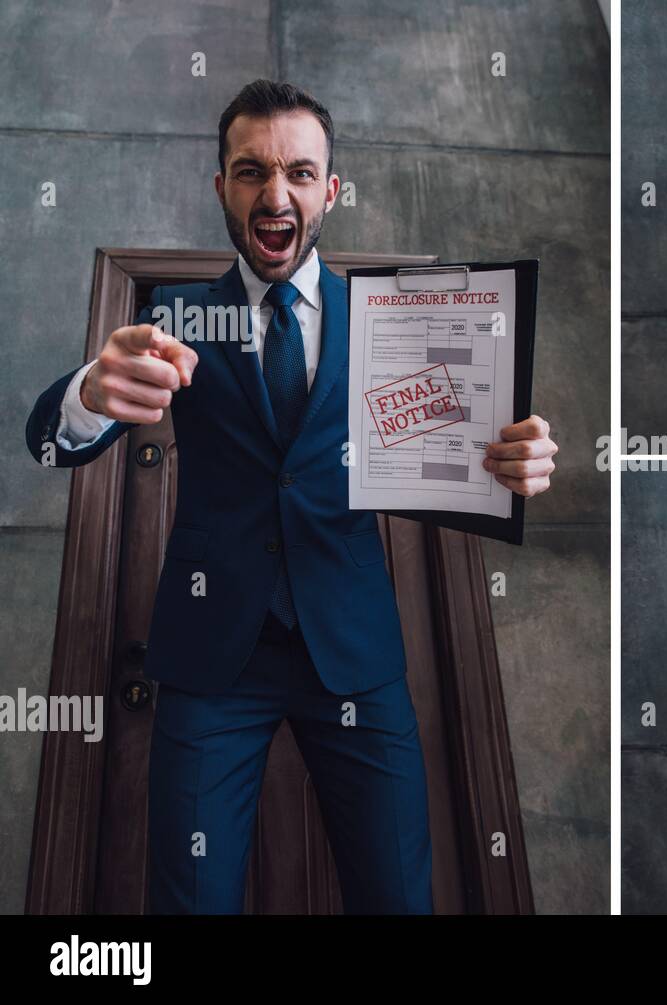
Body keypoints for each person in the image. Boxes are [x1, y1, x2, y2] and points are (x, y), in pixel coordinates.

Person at [24, 79, 558, 914]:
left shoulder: (396, 323)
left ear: (330, 190)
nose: (276, 194)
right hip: (212, 659)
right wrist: (91, 391)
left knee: (397, 895)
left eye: (300, 173)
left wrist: (514, 463)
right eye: (252, 171)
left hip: (353, 653)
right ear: (222, 187)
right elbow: (49, 444)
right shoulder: (176, 319)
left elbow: (458, 446)